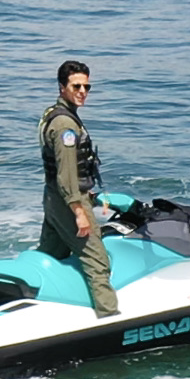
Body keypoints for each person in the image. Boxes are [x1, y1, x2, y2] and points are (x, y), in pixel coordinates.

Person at [38, 60, 119, 318]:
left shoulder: (53, 113)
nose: (82, 91)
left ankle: (37, 305)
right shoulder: (65, 125)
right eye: (76, 86)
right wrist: (79, 209)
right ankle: (109, 318)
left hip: (53, 199)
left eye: (87, 86)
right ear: (62, 87)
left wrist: (89, 194)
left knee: (50, 256)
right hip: (67, 201)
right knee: (98, 262)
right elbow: (66, 173)